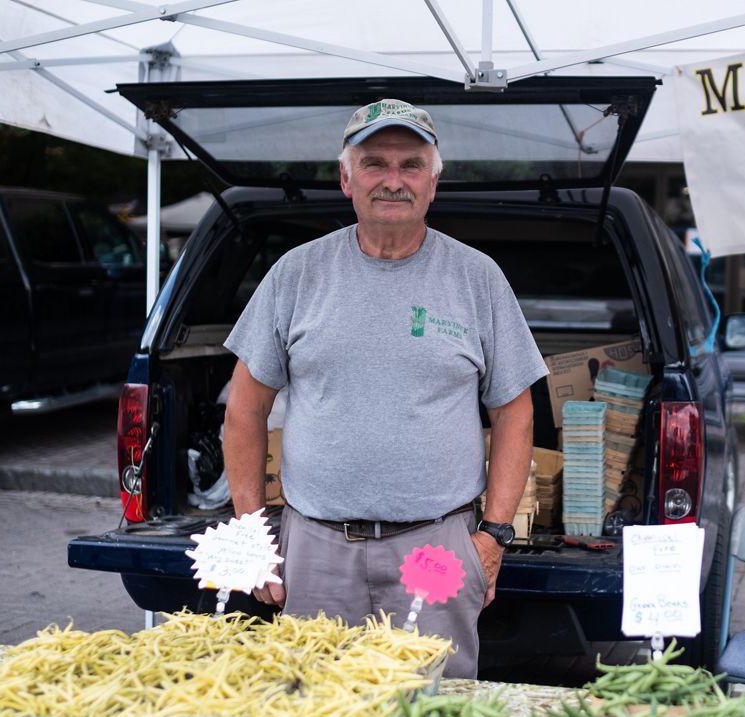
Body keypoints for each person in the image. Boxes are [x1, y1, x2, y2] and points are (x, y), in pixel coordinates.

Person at [222, 99, 548, 678]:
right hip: (316, 549)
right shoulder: (296, 275)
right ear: (346, 178)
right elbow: (245, 411)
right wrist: (252, 532)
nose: (393, 181)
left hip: (437, 546)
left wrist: (494, 536)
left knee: (434, 712)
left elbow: (516, 414)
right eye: (375, 163)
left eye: (411, 165)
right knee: (316, 714)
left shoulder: (477, 278)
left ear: (433, 182)